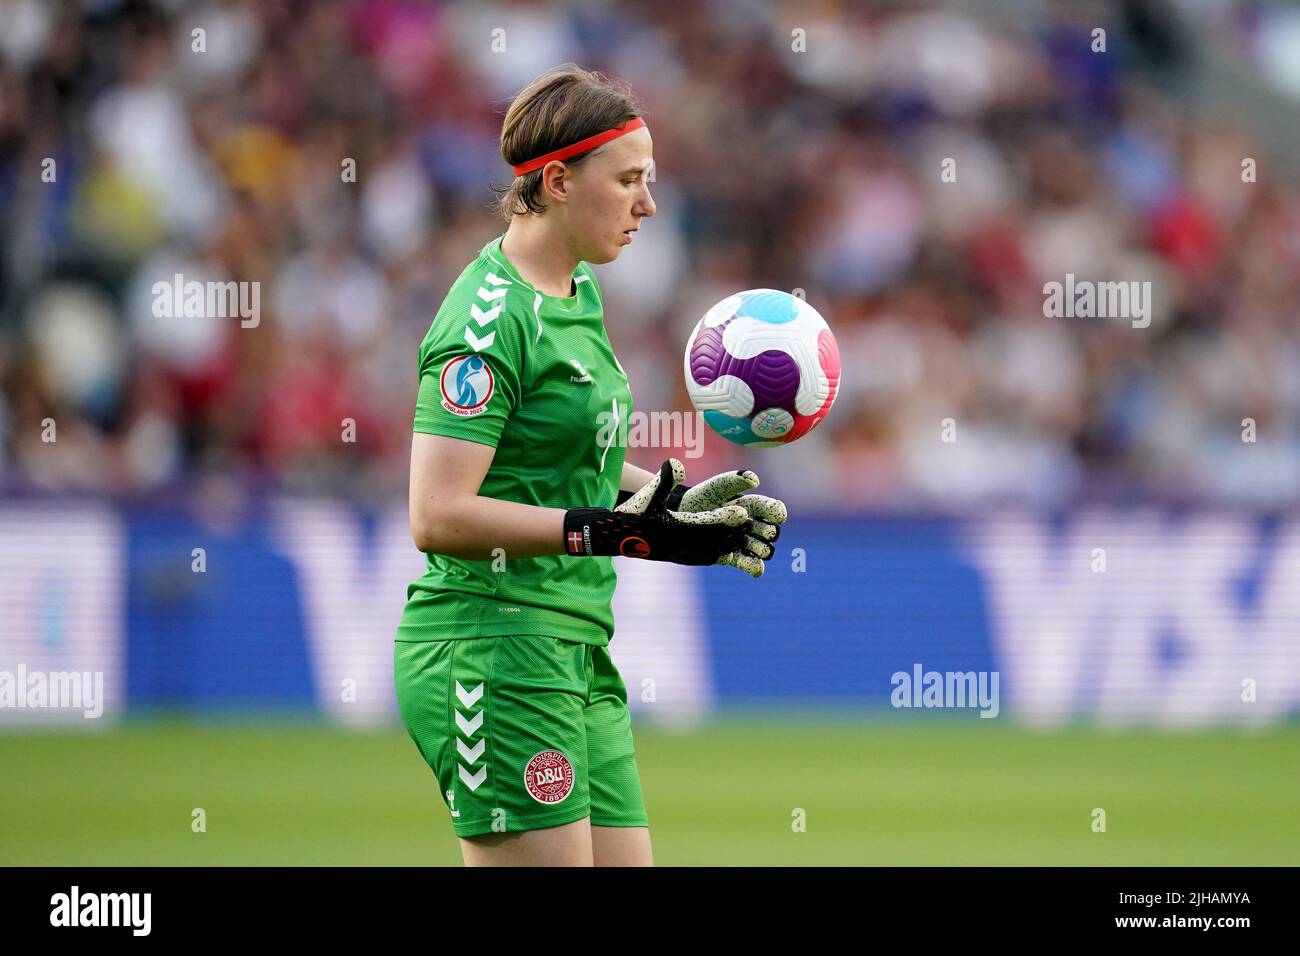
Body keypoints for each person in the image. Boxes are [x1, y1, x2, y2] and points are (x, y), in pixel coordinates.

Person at [394, 64, 787, 867]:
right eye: (631, 181)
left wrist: (670, 504)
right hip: (493, 649)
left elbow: (573, 459)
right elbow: (436, 515)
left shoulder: (577, 291)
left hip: (574, 649)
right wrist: (609, 533)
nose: (648, 204)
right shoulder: (487, 321)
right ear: (559, 181)